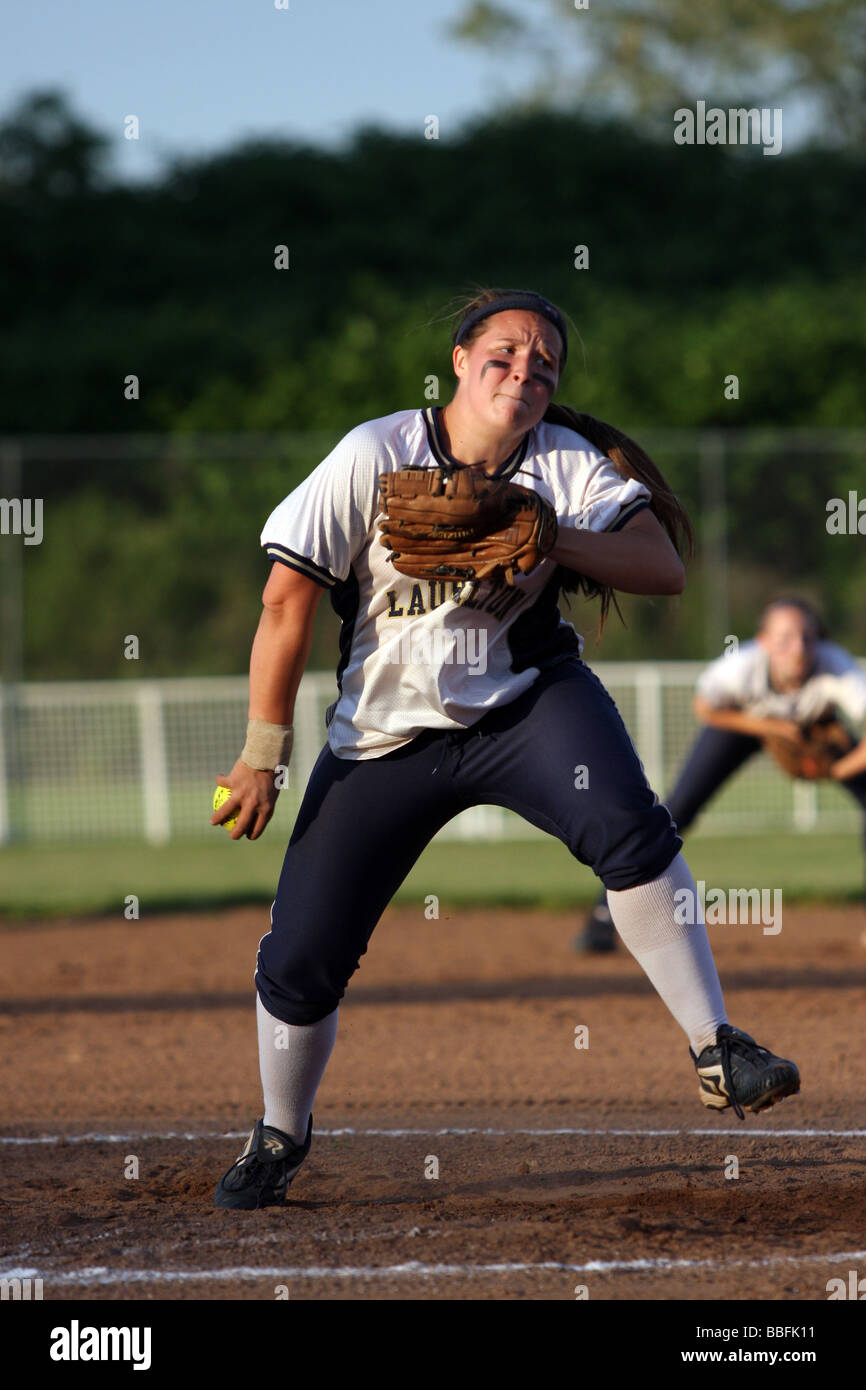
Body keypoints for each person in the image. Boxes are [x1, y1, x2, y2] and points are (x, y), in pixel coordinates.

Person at [210, 288, 799, 1210]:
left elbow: (661, 568)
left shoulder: (559, 463)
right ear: (459, 360)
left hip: (526, 707)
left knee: (628, 830)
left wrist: (547, 533)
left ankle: (717, 1046)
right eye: (504, 355)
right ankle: (281, 1133)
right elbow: (284, 602)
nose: (524, 374)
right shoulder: (375, 453)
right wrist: (261, 752)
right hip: (384, 736)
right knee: (300, 958)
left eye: (544, 366)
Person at [576, 597, 866, 952]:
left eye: (807, 636)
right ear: (763, 641)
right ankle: (604, 917)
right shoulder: (740, 667)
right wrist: (770, 727)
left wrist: (836, 769)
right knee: (677, 810)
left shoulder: (836, 667)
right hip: (740, 720)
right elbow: (704, 707)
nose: (799, 647)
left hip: (811, 725)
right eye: (786, 637)